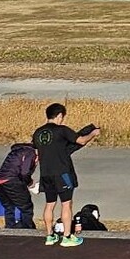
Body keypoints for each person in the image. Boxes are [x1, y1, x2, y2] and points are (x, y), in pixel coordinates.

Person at [31, 103, 100, 248]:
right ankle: (67, 236)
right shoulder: (62, 130)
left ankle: (50, 235)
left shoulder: (38, 132)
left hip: (46, 174)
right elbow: (80, 140)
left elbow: (36, 152)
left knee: (49, 204)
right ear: (60, 116)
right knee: (66, 204)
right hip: (62, 173)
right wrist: (93, 133)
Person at [0, 140, 38, 229]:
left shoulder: (16, 151)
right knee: (26, 207)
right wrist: (29, 182)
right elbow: (25, 172)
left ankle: (9, 228)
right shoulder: (30, 152)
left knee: (9, 207)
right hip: (12, 180)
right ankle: (26, 229)